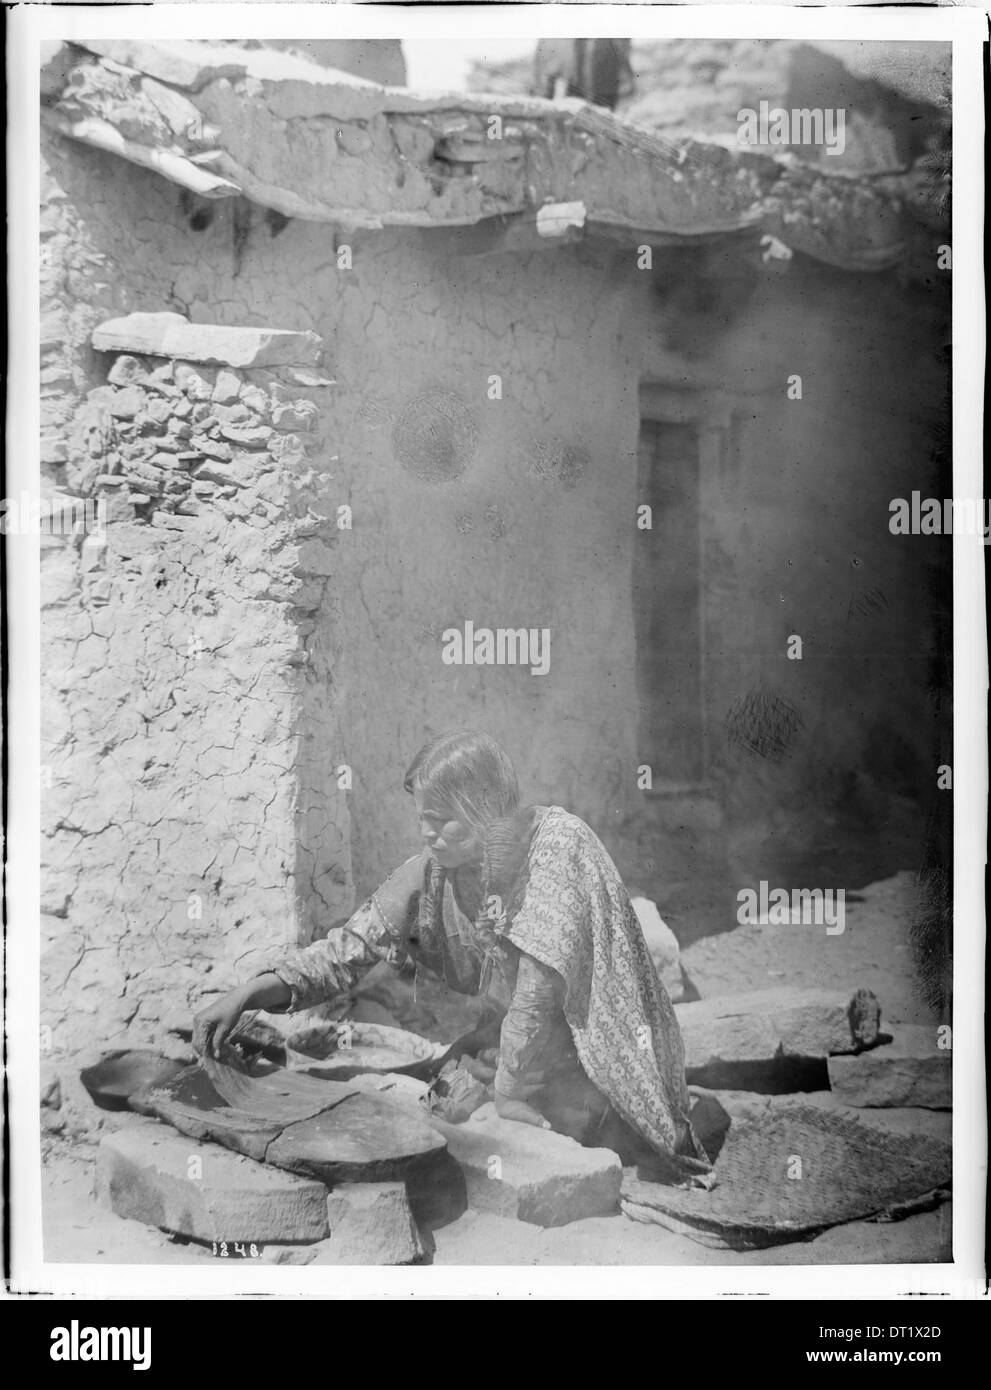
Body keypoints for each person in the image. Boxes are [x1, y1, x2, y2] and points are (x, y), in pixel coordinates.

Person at [193, 732, 710, 1178]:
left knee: (577, 1129)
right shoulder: (432, 874)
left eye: (442, 820)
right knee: (446, 1100)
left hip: (590, 1042)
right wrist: (249, 993)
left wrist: (507, 1092)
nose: (426, 833)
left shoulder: (554, 847)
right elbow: (345, 953)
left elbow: (538, 985)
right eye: (423, 818)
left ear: (483, 812)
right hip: (517, 1042)